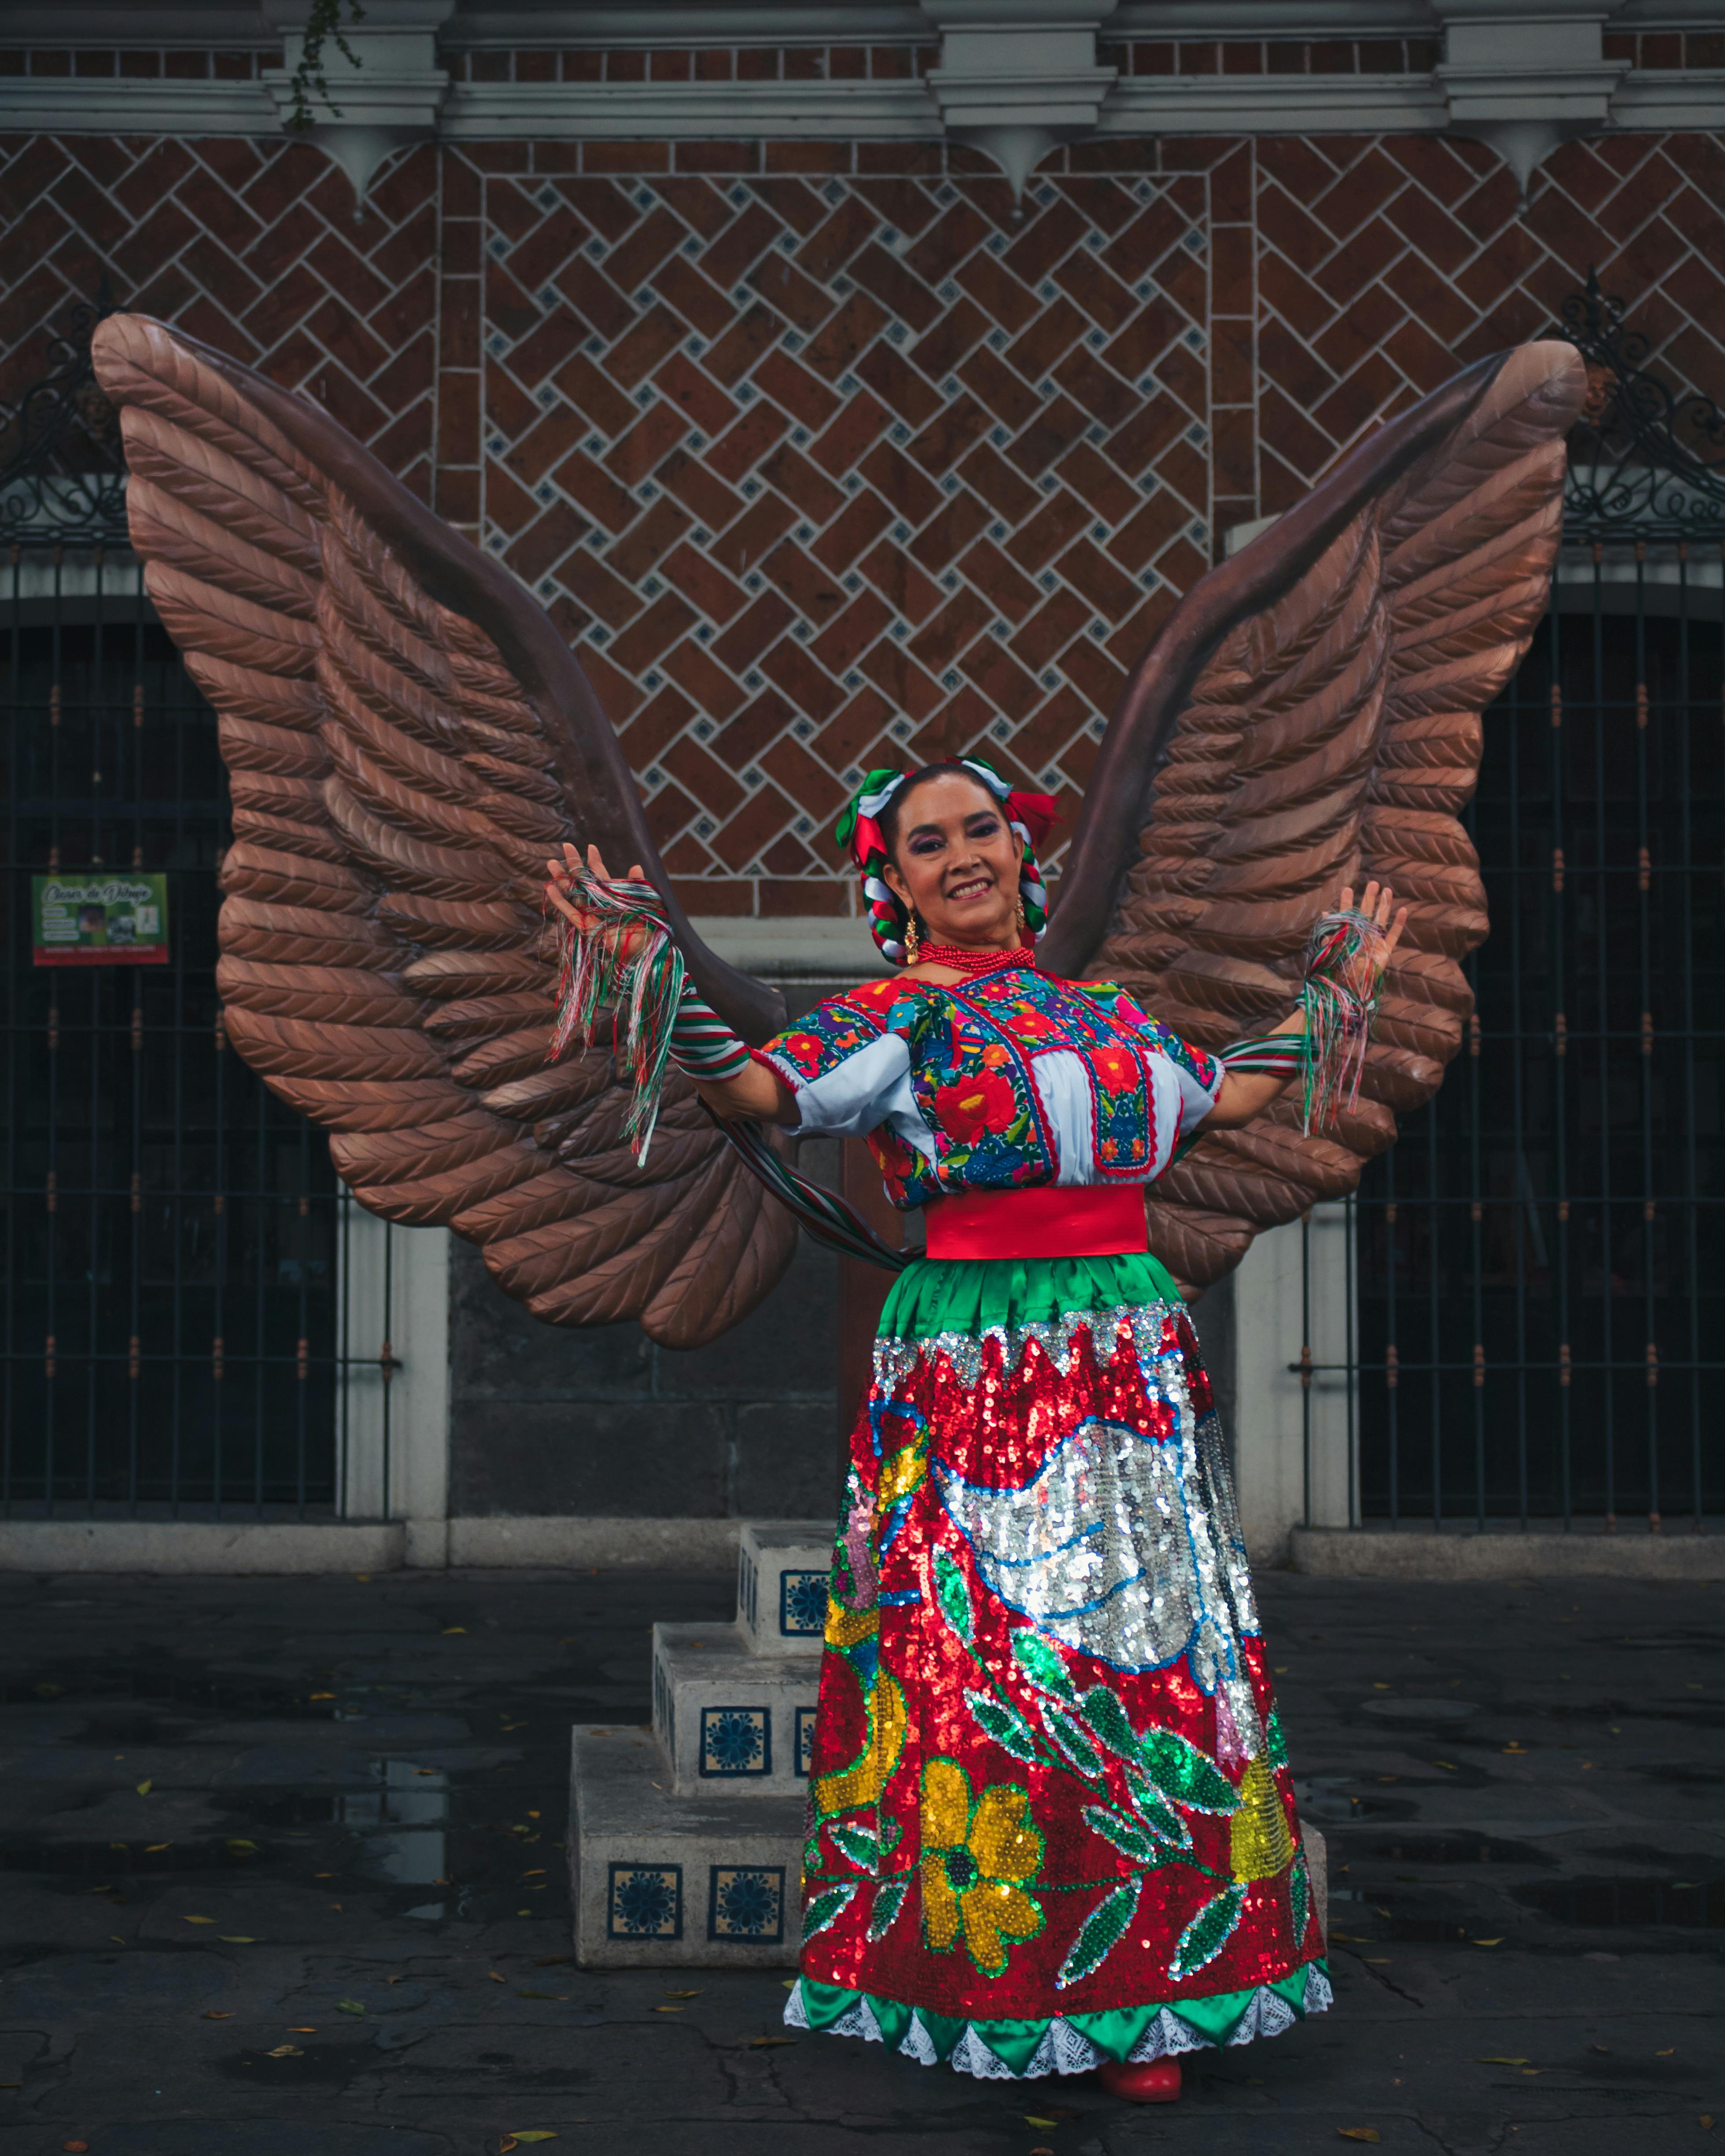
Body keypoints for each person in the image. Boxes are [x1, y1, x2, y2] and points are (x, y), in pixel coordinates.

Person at [546, 757, 1402, 2101]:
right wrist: (655, 976)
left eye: (981, 828)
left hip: (1125, 1360)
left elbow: (1229, 1093)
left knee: (1153, 1665)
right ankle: (1003, 1978)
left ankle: (1149, 1996)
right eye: (926, 842)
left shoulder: (1107, 1014)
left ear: (1020, 851)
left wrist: (1333, 998)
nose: (961, 855)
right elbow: (762, 1094)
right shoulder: (897, 1019)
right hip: (982, 1363)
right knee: (999, 1670)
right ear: (891, 882)